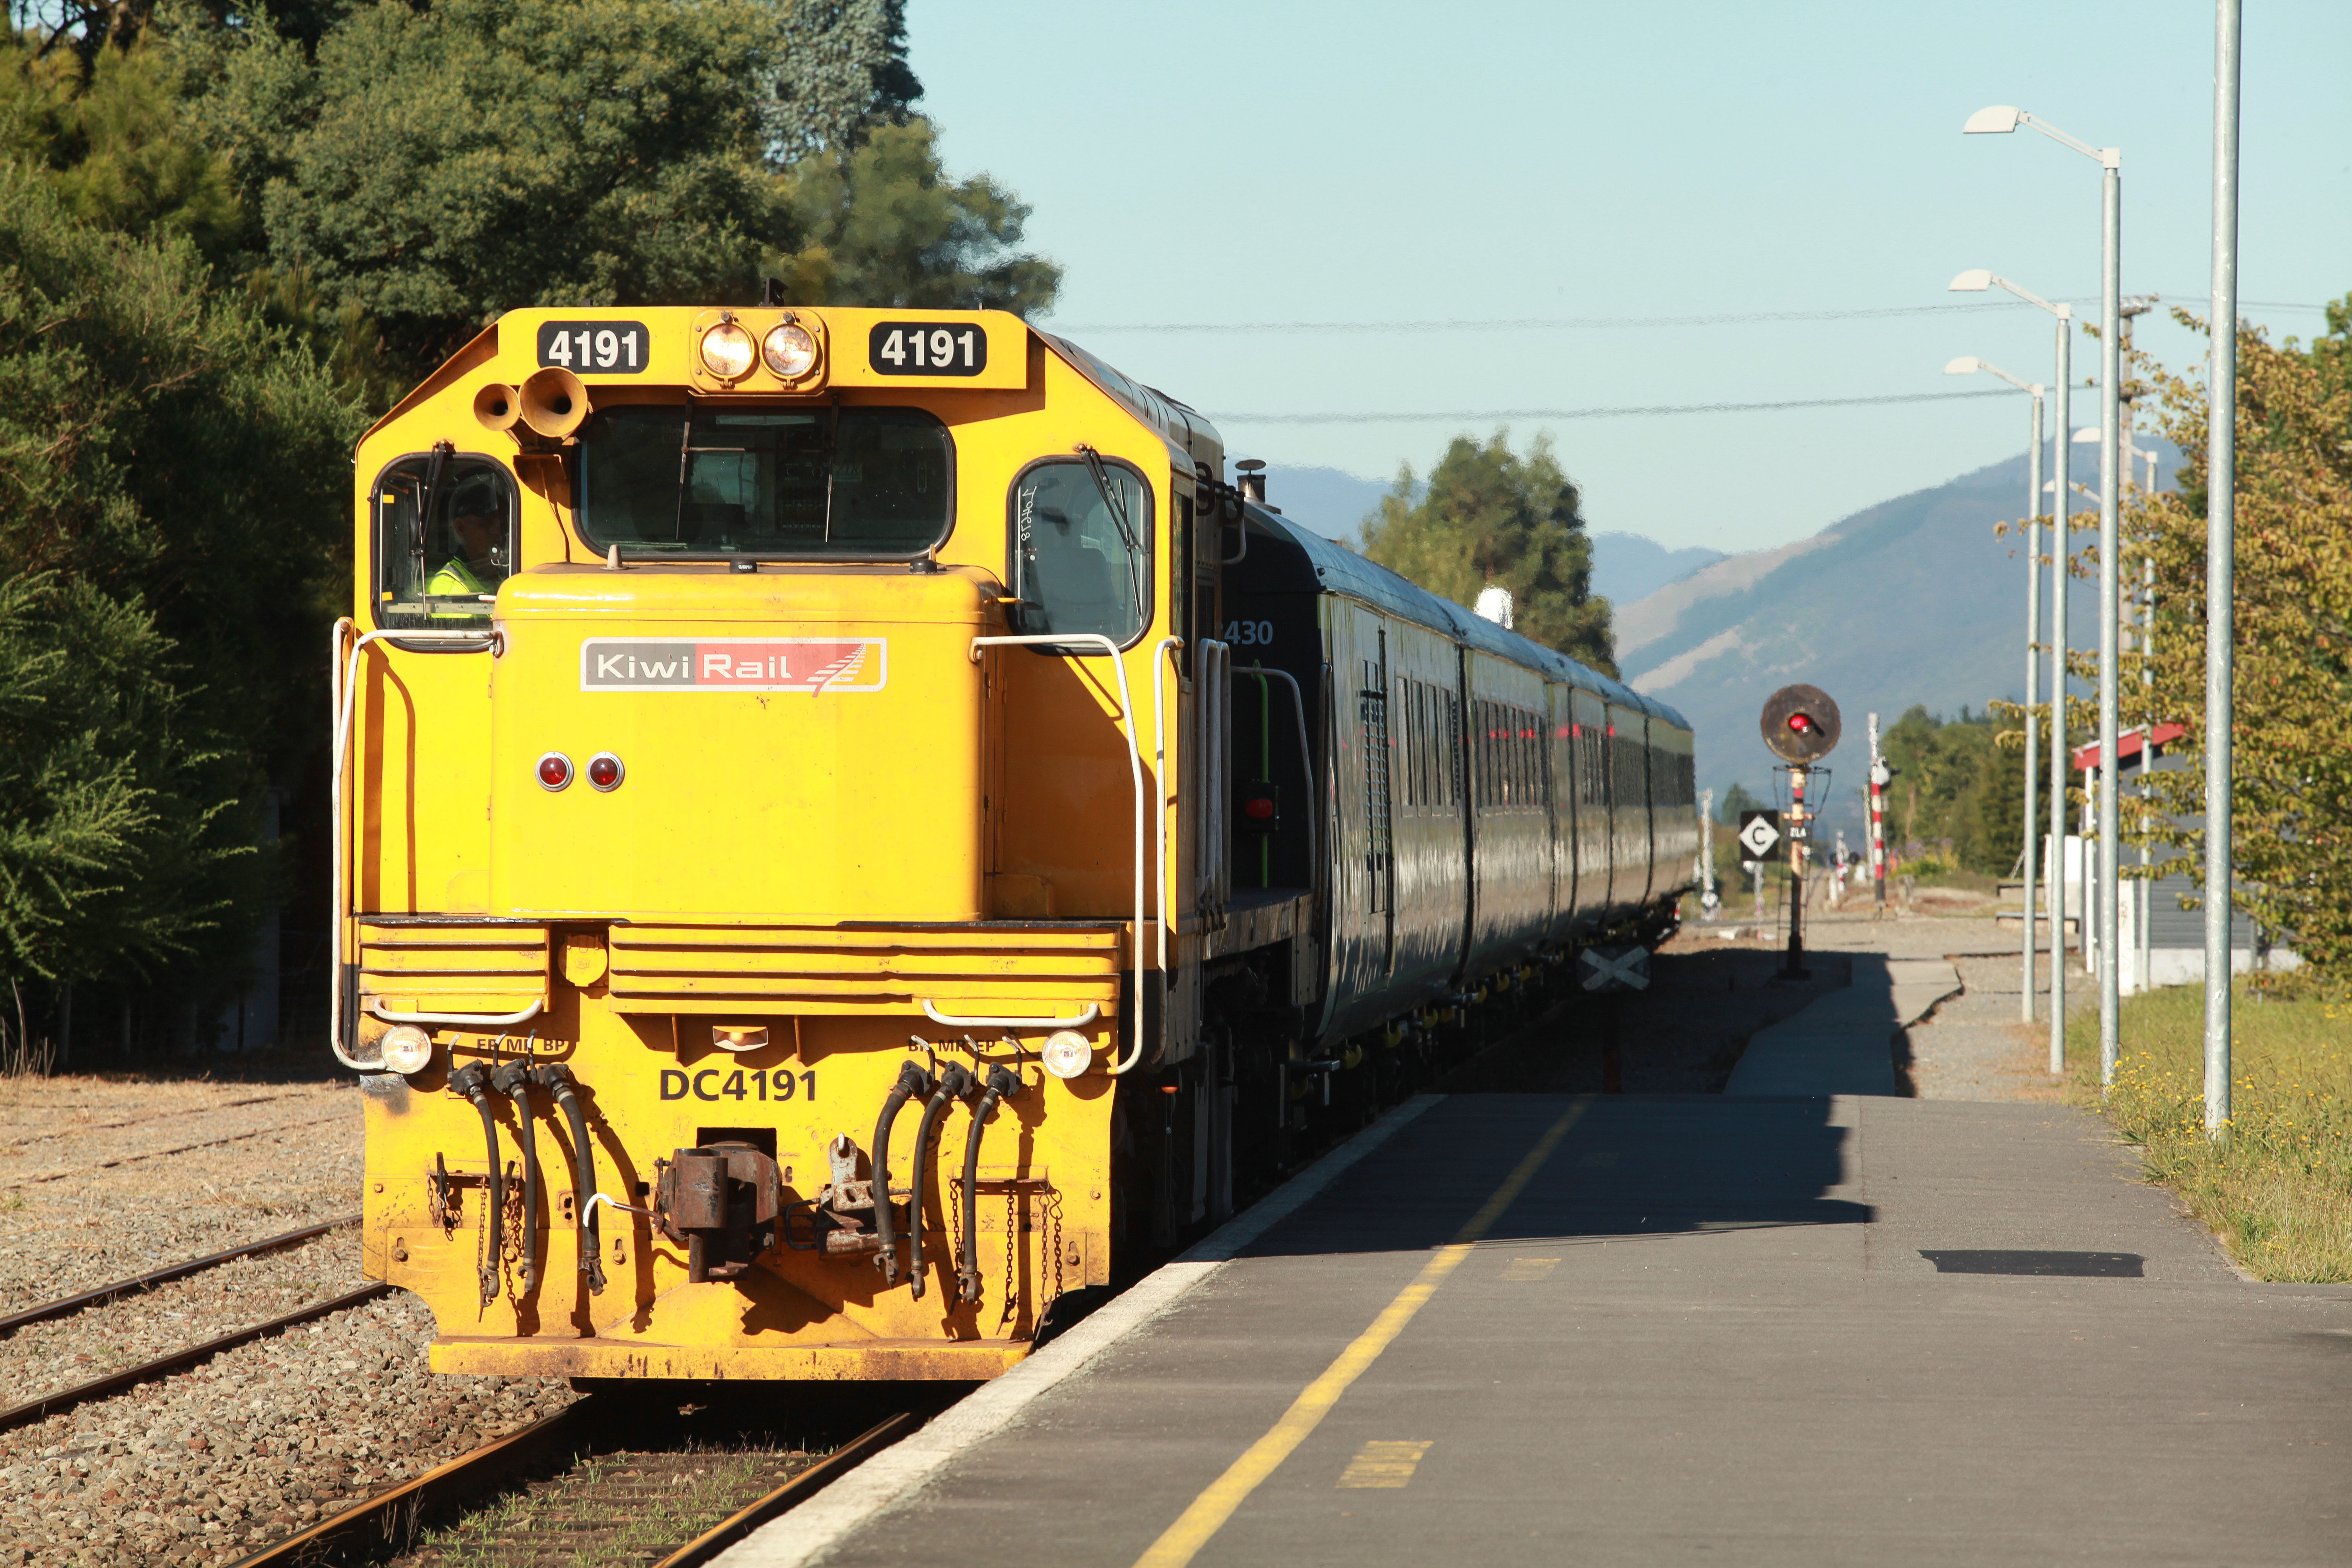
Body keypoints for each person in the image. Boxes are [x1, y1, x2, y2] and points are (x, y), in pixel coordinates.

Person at [428, 482, 507, 599]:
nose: (498, 532)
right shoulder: (448, 586)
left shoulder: (503, 574)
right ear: (461, 528)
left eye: (503, 525)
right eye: (487, 524)